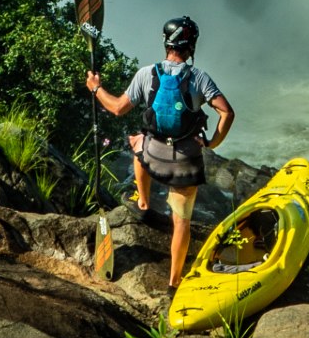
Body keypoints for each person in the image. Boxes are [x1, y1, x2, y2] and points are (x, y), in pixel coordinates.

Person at [86, 15, 235, 290]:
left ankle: (143, 202)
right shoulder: (199, 78)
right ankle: (174, 282)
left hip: (153, 155)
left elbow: (118, 108)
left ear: (166, 43)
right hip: (185, 164)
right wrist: (213, 143)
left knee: (136, 140)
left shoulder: (146, 74)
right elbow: (226, 112)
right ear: (191, 47)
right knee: (181, 222)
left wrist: (95, 88)